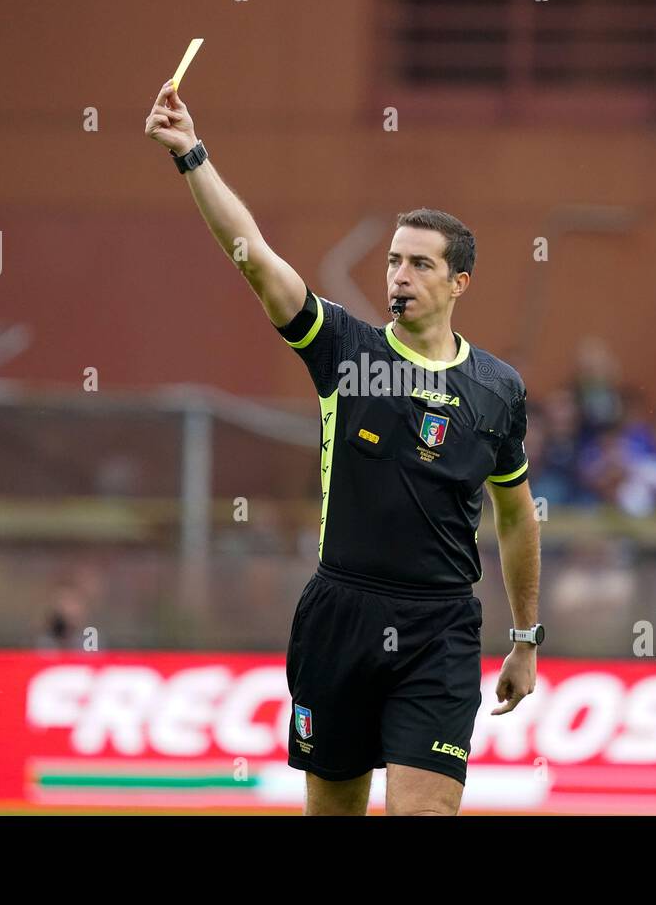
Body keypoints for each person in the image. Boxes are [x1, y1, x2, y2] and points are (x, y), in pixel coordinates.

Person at [145, 82, 542, 815]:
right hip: (341, 616)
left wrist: (525, 637)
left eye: (421, 264)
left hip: (441, 629)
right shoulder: (346, 353)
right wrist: (191, 155)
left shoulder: (499, 389)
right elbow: (255, 259)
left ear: (460, 283)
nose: (400, 275)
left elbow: (516, 517)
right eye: (394, 261)